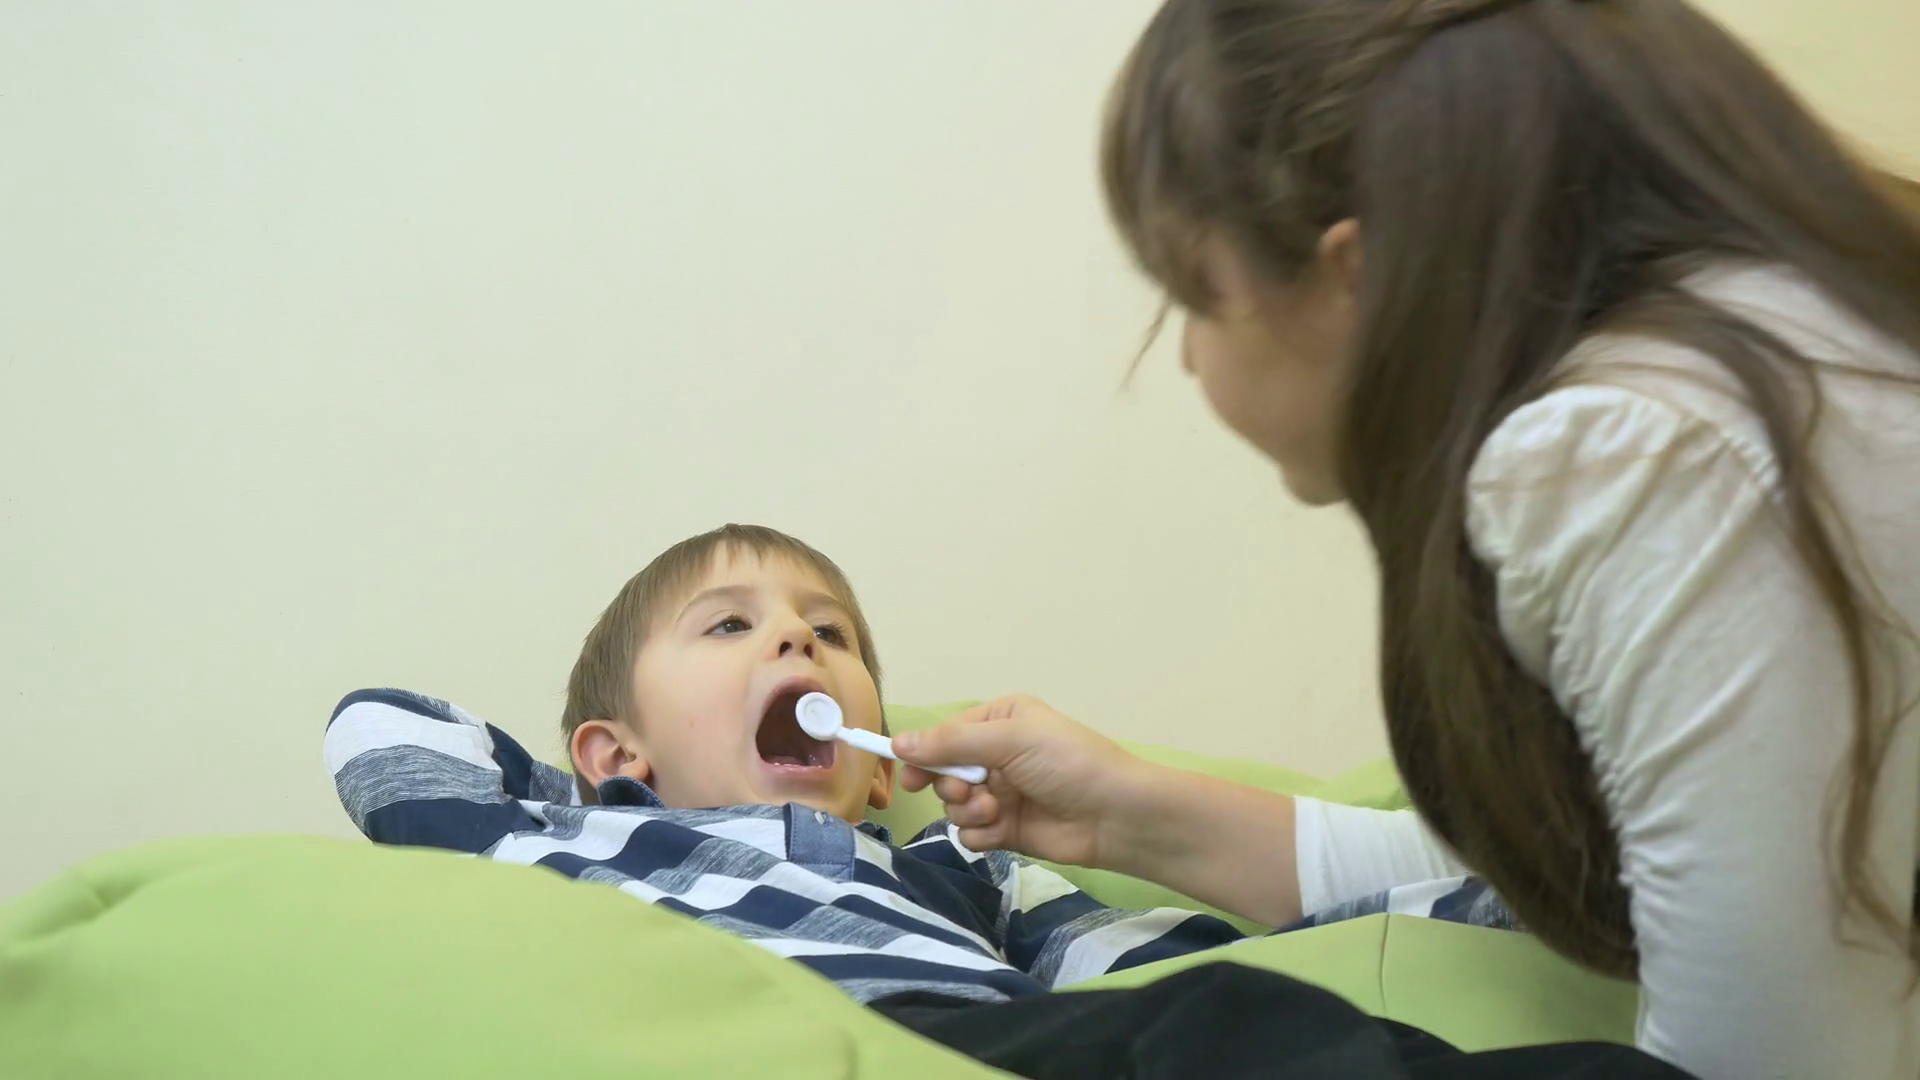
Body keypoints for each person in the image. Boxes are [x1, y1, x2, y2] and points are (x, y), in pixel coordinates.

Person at [892, 1, 1920, 1078]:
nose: (1190, 364)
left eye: (1191, 298)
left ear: (1354, 277)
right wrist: (1131, 815)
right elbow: (1631, 862)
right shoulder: (1731, 363)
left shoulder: (1636, 453)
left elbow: (1767, 1055)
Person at [324, 523, 1685, 1078]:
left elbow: (1151, 979)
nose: (799, 649)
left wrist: (1491, 897)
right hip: (859, 1048)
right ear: (613, 749)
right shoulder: (589, 840)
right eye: (731, 629)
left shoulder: (958, 871)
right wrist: (596, 791)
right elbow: (384, 736)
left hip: (1020, 1042)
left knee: (1248, 1017)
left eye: (830, 630)